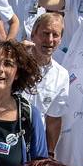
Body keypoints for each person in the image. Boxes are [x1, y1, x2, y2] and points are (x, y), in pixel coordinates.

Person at [25, 13, 68, 154]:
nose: (49, 40)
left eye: (55, 35)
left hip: (36, 145)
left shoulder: (61, 75)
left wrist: (49, 153)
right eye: (45, 33)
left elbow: (53, 119)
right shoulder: (15, 63)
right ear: (33, 35)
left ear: (60, 39)